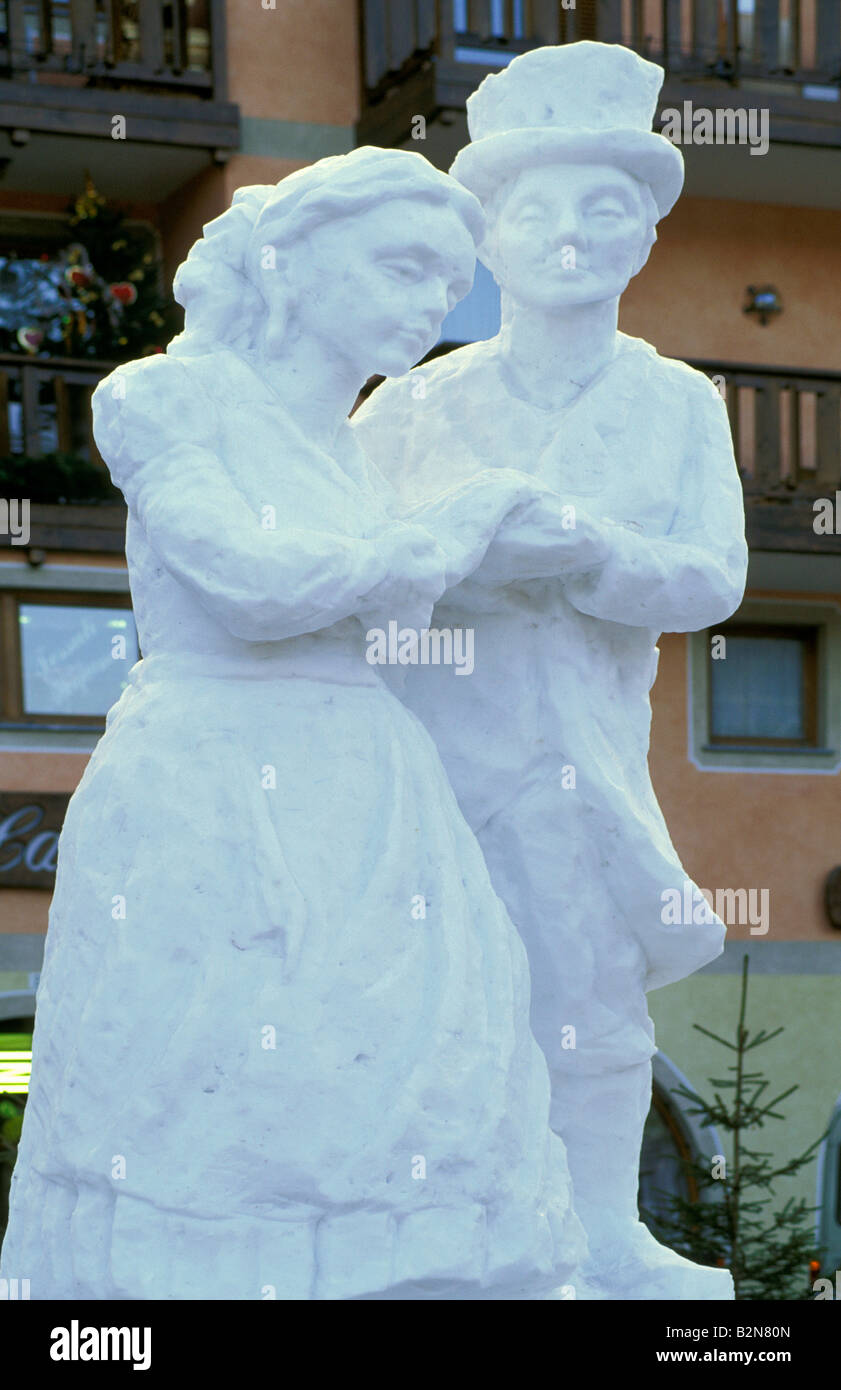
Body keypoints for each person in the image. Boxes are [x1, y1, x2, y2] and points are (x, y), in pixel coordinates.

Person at [0, 148, 586, 1300]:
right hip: (216, 768)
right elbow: (249, 581)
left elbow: (376, 626)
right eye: (404, 266)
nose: (429, 302)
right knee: (214, 1057)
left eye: (446, 282)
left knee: (396, 1062)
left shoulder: (354, 451)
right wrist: (446, 533)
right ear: (291, 263)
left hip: (365, 782)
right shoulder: (163, 394)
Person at [352, 45, 748, 1299]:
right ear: (491, 237)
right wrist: (456, 555)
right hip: (431, 756)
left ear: (641, 240)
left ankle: (594, 1230)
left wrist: (583, 548)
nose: (570, 236)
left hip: (578, 761)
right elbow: (346, 576)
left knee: (588, 999)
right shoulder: (409, 407)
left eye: (605, 211)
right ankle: (433, 1232)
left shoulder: (678, 401)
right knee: (434, 1004)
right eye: (535, 211)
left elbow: (711, 582)